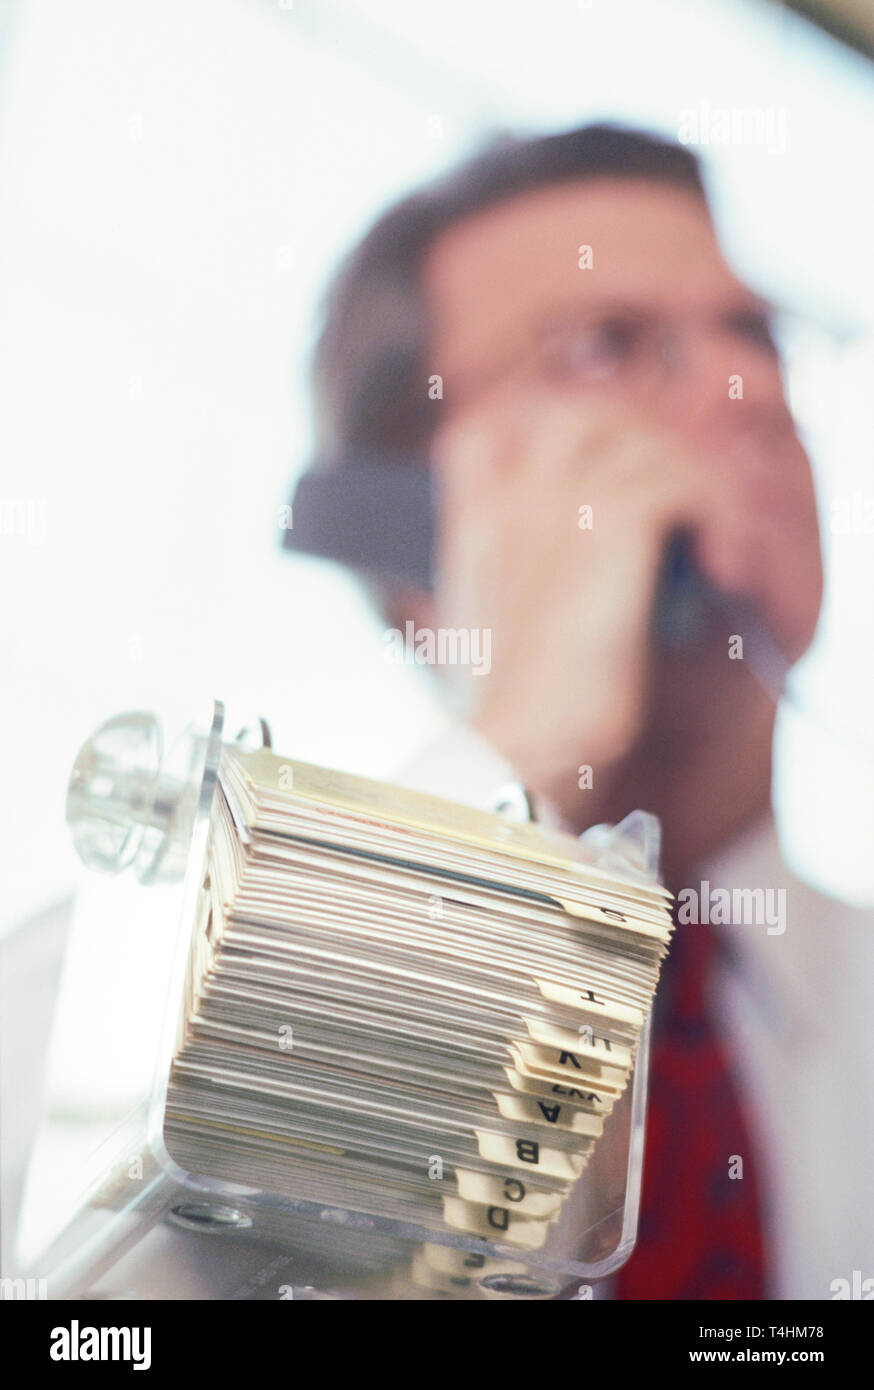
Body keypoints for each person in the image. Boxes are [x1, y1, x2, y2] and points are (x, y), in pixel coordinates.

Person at [299, 124, 874, 1299]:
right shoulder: (131, 1003)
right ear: (408, 525)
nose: (751, 391)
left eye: (753, 335)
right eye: (609, 346)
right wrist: (515, 761)